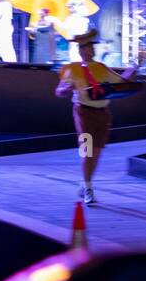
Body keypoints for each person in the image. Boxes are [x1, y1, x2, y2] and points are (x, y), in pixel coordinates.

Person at [54, 29, 138, 205]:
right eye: (84, 48)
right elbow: (59, 91)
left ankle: (85, 184)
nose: (88, 51)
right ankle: (88, 189)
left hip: (103, 114)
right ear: (79, 50)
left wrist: (134, 68)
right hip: (83, 113)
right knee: (87, 152)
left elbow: (122, 82)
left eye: (90, 47)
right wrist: (65, 90)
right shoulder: (73, 69)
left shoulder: (101, 68)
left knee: (97, 152)